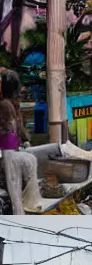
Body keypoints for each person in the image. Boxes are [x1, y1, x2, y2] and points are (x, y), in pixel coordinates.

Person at [0, 70, 43, 213]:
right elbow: (12, 129)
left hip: (10, 149)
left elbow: (16, 128)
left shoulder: (9, 104)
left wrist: (23, 140)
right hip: (8, 151)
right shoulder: (7, 105)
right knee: (15, 188)